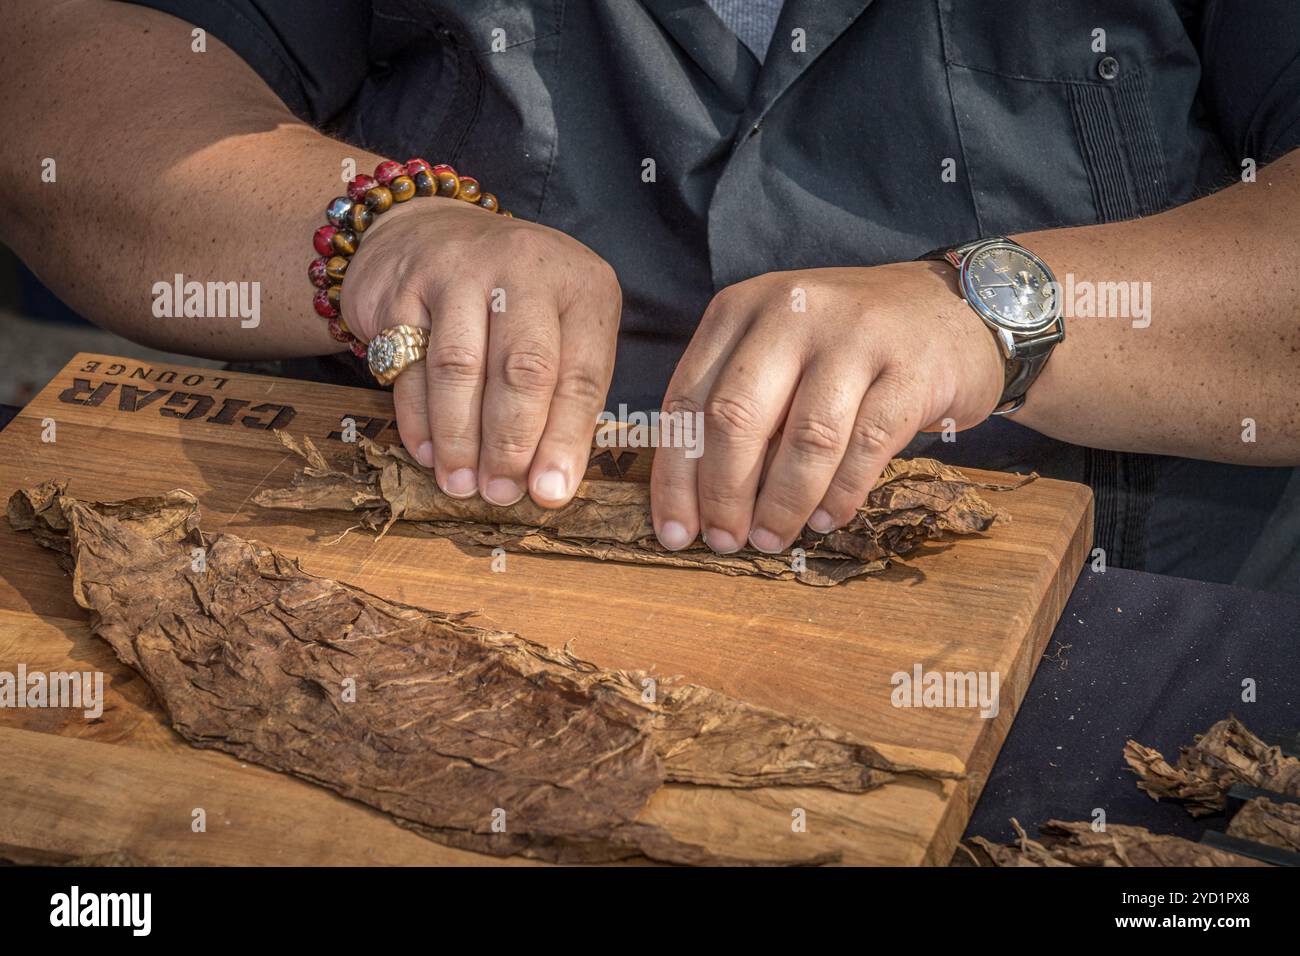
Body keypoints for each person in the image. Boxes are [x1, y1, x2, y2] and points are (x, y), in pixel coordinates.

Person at [3, 0, 1298, 588]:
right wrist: (373, 228)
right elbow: (59, 77)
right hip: (420, 584)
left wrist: (1001, 312)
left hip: (1107, 632)